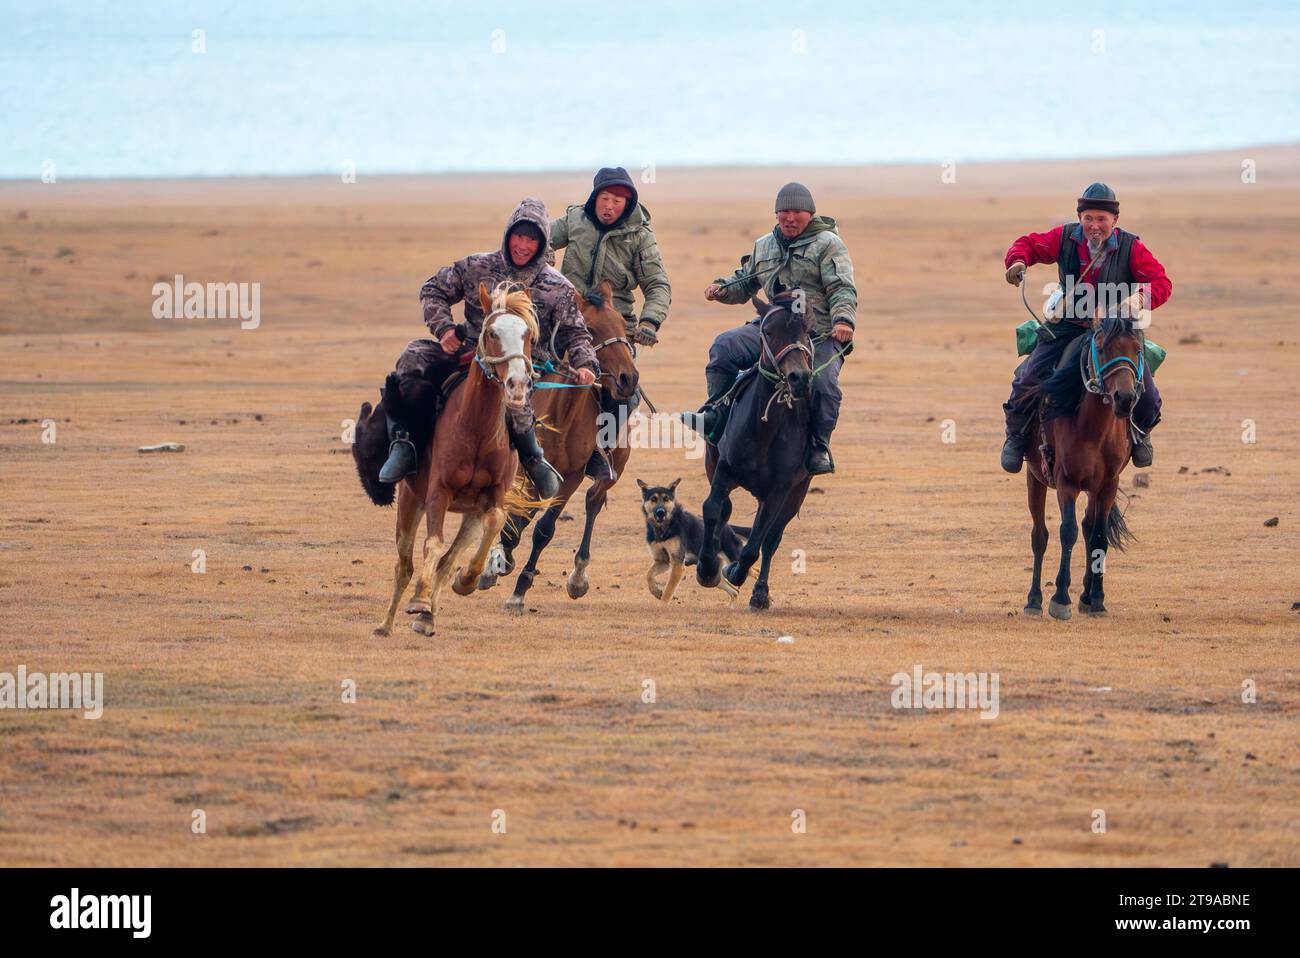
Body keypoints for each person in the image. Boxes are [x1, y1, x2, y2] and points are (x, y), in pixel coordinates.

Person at [377, 197, 599, 498]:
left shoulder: (557, 287)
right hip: (468, 350)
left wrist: (586, 365)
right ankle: (403, 445)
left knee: (517, 396)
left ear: (543, 243)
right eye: (519, 236)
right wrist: (444, 330)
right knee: (411, 357)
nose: (523, 245)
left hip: (522, 362)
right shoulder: (476, 266)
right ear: (508, 235)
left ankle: (533, 458)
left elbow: (577, 333)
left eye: (532, 240)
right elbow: (432, 289)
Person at [683, 182, 856, 475]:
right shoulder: (764, 244)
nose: (790, 218)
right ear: (776, 214)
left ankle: (818, 446)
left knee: (824, 383)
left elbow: (841, 288)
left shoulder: (829, 244)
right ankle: (715, 414)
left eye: (797, 212)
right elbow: (746, 280)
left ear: (810, 214)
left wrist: (844, 320)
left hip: (818, 333)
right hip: (774, 329)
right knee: (724, 346)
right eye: (783, 212)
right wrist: (723, 289)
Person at [1001, 182, 1171, 471]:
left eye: (1101, 219)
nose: (1094, 225)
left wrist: (1138, 300)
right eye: (1088, 218)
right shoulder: (1064, 237)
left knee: (1148, 394)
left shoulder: (1132, 247)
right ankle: (1016, 438)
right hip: (1068, 325)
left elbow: (1161, 283)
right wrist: (1017, 261)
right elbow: (1027, 245)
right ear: (1080, 218)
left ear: (1114, 221)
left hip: (1116, 331)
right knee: (1027, 378)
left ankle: (1140, 435)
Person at [550, 166, 671, 479]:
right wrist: (545, 259)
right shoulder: (575, 220)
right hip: (564, 315)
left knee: (624, 388)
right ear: (595, 197)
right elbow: (540, 239)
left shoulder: (640, 235)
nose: (609, 206)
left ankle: (599, 451)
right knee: (521, 359)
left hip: (613, 325)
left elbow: (657, 285)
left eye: (618, 201)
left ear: (628, 203)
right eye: (605, 198)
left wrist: (649, 322)